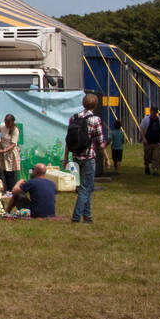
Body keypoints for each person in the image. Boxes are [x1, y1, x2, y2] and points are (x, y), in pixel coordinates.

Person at [62, 92, 107, 224]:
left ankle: (88, 217)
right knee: (85, 189)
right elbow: (100, 142)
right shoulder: (95, 120)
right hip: (88, 157)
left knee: (87, 187)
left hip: (75, 157)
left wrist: (66, 158)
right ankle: (76, 217)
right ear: (95, 105)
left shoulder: (74, 118)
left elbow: (68, 140)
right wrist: (106, 158)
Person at [0, 114, 22, 191]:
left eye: (8, 122)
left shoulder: (15, 130)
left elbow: (13, 144)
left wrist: (4, 151)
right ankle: (5, 189)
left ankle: (11, 190)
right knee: (3, 172)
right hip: (2, 152)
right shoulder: (2, 125)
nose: (6, 123)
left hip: (10, 153)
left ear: (12, 122)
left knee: (10, 173)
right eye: (5, 121)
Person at [139, 105, 160, 175]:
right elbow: (142, 129)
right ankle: (147, 167)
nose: (153, 112)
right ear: (150, 111)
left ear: (157, 112)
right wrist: (144, 138)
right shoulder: (146, 119)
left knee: (156, 156)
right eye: (152, 111)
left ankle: (155, 170)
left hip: (157, 141)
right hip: (148, 141)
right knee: (147, 156)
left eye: (154, 111)